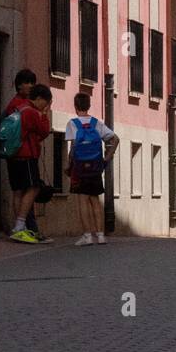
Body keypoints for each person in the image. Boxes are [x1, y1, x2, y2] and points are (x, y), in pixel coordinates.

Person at [65, 93, 118, 246]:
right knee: (95, 200)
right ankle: (100, 235)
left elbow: (73, 147)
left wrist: (69, 165)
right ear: (89, 105)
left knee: (82, 200)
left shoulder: (72, 123)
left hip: (80, 166)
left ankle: (87, 236)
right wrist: (107, 158)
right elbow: (115, 139)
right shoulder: (97, 123)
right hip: (96, 165)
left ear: (75, 106)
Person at [4, 68, 49, 242]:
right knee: (33, 187)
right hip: (26, 152)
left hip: (12, 153)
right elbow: (43, 131)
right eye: (26, 82)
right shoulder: (29, 110)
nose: (29, 86)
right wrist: (44, 115)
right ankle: (20, 225)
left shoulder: (12, 106)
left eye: (32, 82)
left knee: (18, 190)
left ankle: (21, 226)